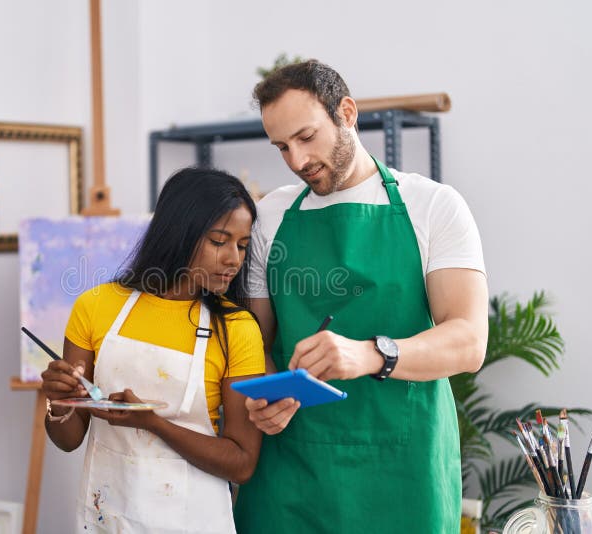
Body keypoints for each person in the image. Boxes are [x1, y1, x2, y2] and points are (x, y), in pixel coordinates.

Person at [233, 60, 489, 533]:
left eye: (307, 137)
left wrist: (371, 354)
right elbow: (255, 337)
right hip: (293, 473)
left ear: (346, 113)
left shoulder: (433, 206)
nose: (296, 160)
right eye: (282, 147)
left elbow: (469, 342)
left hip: (402, 469)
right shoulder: (270, 215)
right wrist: (265, 394)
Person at [41, 167, 265, 533]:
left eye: (241, 245)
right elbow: (69, 440)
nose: (234, 260)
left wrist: (154, 424)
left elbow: (241, 461)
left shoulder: (237, 330)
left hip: (194, 521)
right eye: (219, 241)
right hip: (108, 515)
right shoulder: (97, 307)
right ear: (181, 232)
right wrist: (58, 402)